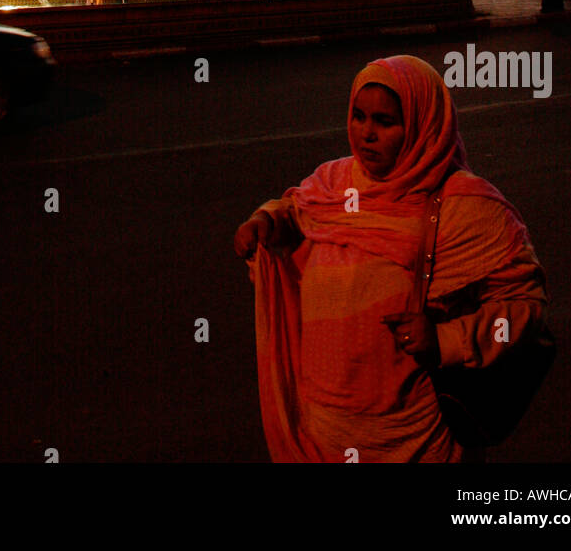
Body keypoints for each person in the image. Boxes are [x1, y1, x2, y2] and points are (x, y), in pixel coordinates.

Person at [234, 54, 548, 463]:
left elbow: (526, 310)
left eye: (385, 122)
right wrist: (266, 220)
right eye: (359, 116)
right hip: (321, 432)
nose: (366, 134)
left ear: (423, 125)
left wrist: (445, 340)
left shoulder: (466, 206)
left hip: (414, 438)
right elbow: (297, 208)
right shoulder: (334, 181)